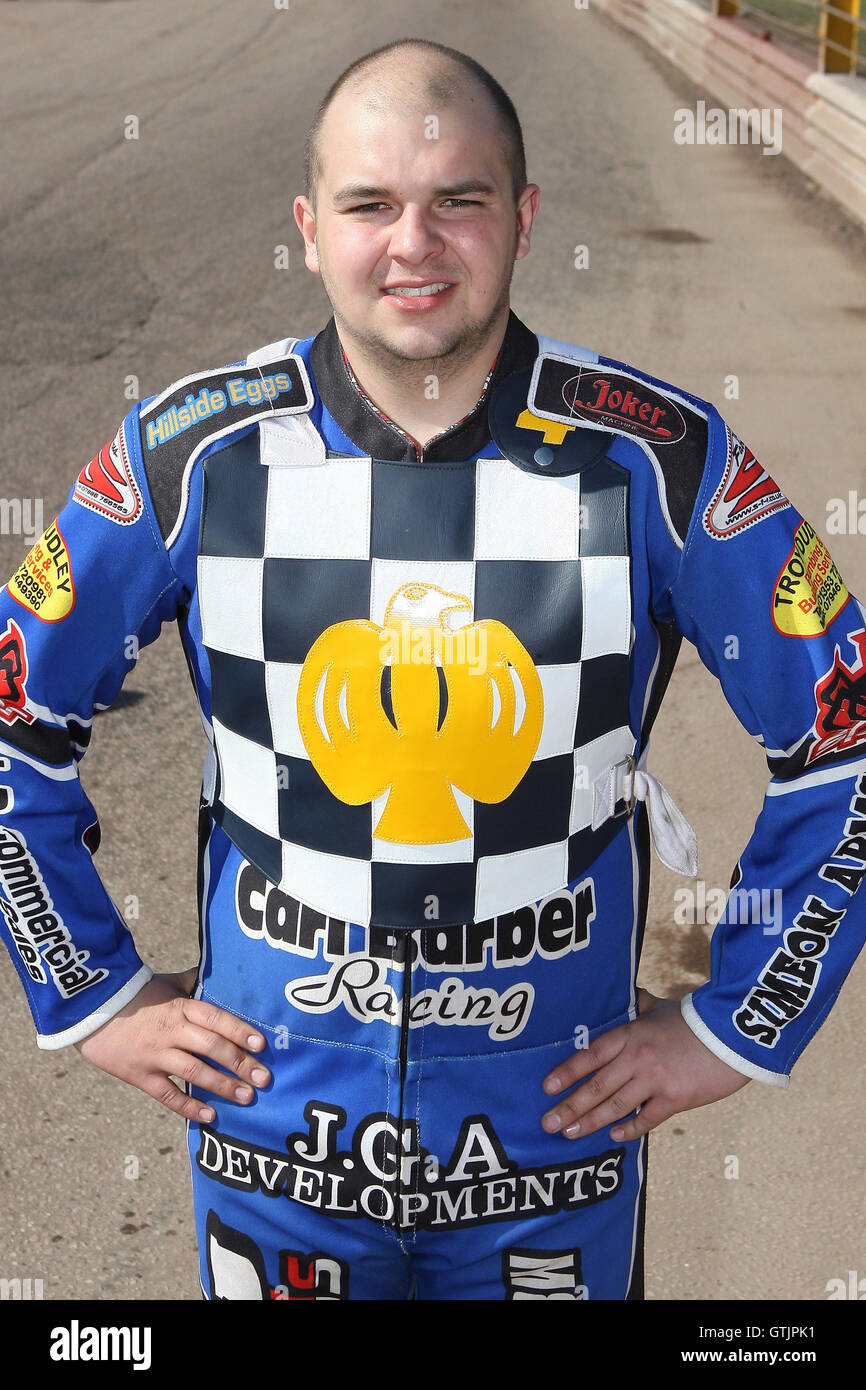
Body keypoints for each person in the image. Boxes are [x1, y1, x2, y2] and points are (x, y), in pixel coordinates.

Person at [1, 36, 864, 1303]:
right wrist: (94, 991)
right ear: (308, 227)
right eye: (369, 205)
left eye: (457, 200)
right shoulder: (191, 453)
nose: (413, 242)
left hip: (552, 1147)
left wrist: (734, 1024)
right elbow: (14, 714)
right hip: (273, 1136)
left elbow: (842, 733)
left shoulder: (654, 458)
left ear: (520, 219)